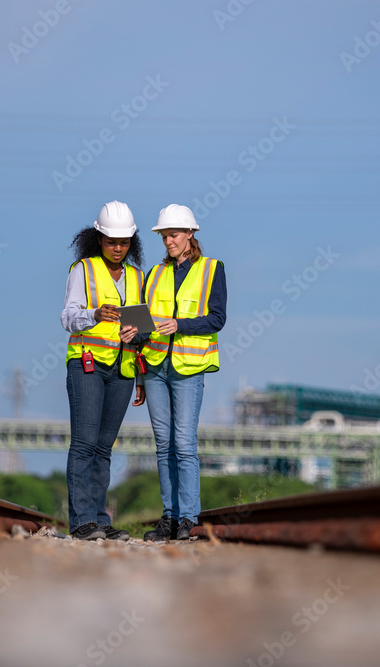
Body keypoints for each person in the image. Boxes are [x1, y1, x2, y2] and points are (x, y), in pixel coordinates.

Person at [141, 204, 227, 541]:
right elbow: (145, 323)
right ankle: (169, 517)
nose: (168, 240)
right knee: (163, 445)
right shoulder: (154, 273)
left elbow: (216, 318)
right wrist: (137, 336)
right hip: (154, 367)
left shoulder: (211, 269)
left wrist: (180, 325)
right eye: (164, 235)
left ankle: (188, 519)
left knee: (184, 444)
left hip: (189, 367)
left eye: (173, 234)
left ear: (190, 234)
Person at [61, 200, 147, 541]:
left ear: (131, 242)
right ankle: (82, 520)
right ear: (98, 238)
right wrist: (95, 314)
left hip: (123, 369)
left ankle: (99, 517)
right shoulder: (82, 270)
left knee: (104, 447)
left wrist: (137, 340)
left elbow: (142, 328)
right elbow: (68, 318)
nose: (117, 248)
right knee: (84, 444)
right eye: (112, 241)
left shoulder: (139, 277)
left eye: (124, 242)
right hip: (87, 363)